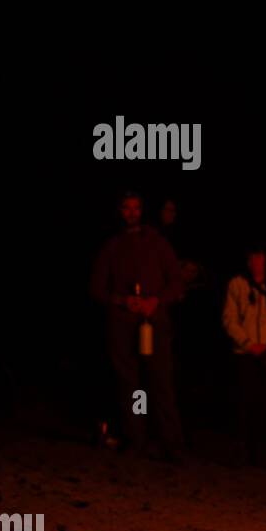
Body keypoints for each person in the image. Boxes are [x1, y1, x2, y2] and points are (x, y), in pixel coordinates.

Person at [89, 191, 186, 460]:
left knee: (161, 384)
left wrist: (157, 300)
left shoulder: (158, 243)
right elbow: (97, 288)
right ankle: (136, 440)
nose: (131, 213)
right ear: (120, 211)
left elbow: (177, 282)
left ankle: (172, 445)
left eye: (136, 208)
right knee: (128, 385)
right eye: (126, 208)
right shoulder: (112, 246)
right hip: (122, 325)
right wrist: (121, 300)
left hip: (154, 323)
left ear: (142, 211)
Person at [222, 243, 266, 466]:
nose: (256, 262)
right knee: (243, 400)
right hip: (245, 353)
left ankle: (259, 449)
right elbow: (230, 319)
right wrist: (249, 344)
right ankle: (241, 449)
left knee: (264, 401)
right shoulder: (237, 285)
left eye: (260, 258)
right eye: (253, 258)